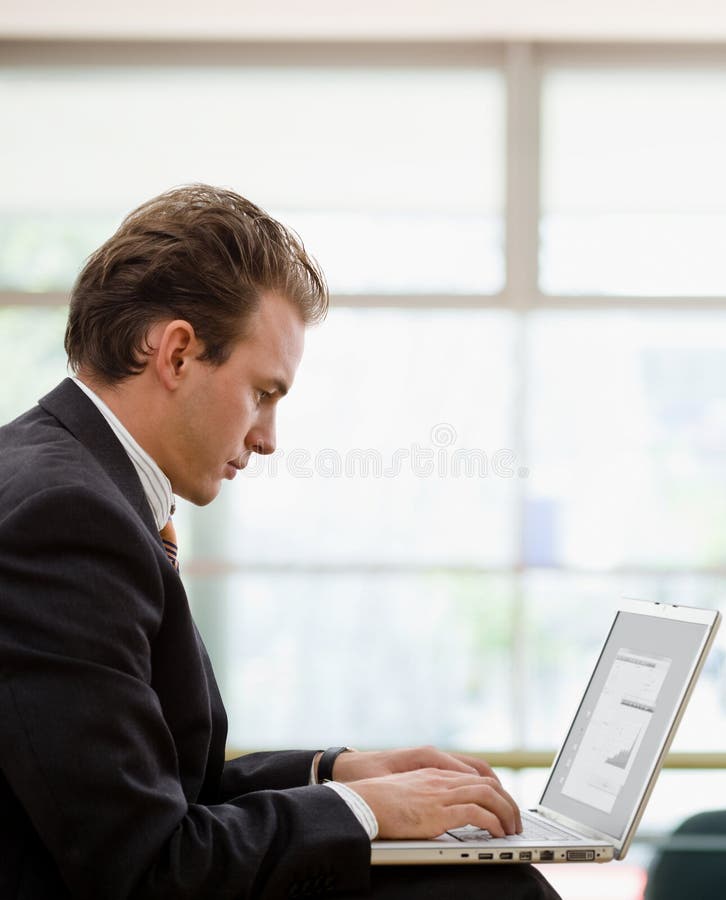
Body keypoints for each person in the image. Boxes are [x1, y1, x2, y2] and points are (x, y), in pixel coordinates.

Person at [0, 184, 560, 900]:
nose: (267, 439)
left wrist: (339, 774)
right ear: (176, 355)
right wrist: (364, 814)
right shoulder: (65, 518)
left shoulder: (59, 479)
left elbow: (156, 790)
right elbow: (148, 866)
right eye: (263, 393)